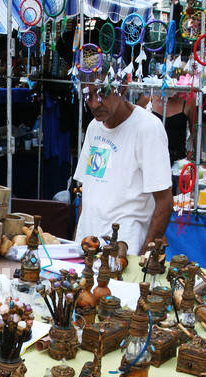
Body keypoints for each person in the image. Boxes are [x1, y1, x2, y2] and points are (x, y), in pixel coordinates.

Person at [73, 79, 174, 258]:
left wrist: (143, 257)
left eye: (102, 93)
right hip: (87, 245)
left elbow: (164, 201)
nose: (95, 103)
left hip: (125, 250)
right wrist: (78, 237)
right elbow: (87, 188)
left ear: (123, 89)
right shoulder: (94, 127)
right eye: (88, 95)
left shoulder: (148, 128)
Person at [145, 91, 193, 165]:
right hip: (153, 157)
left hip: (178, 159)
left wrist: (193, 154)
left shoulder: (187, 102)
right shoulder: (149, 100)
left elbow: (195, 131)